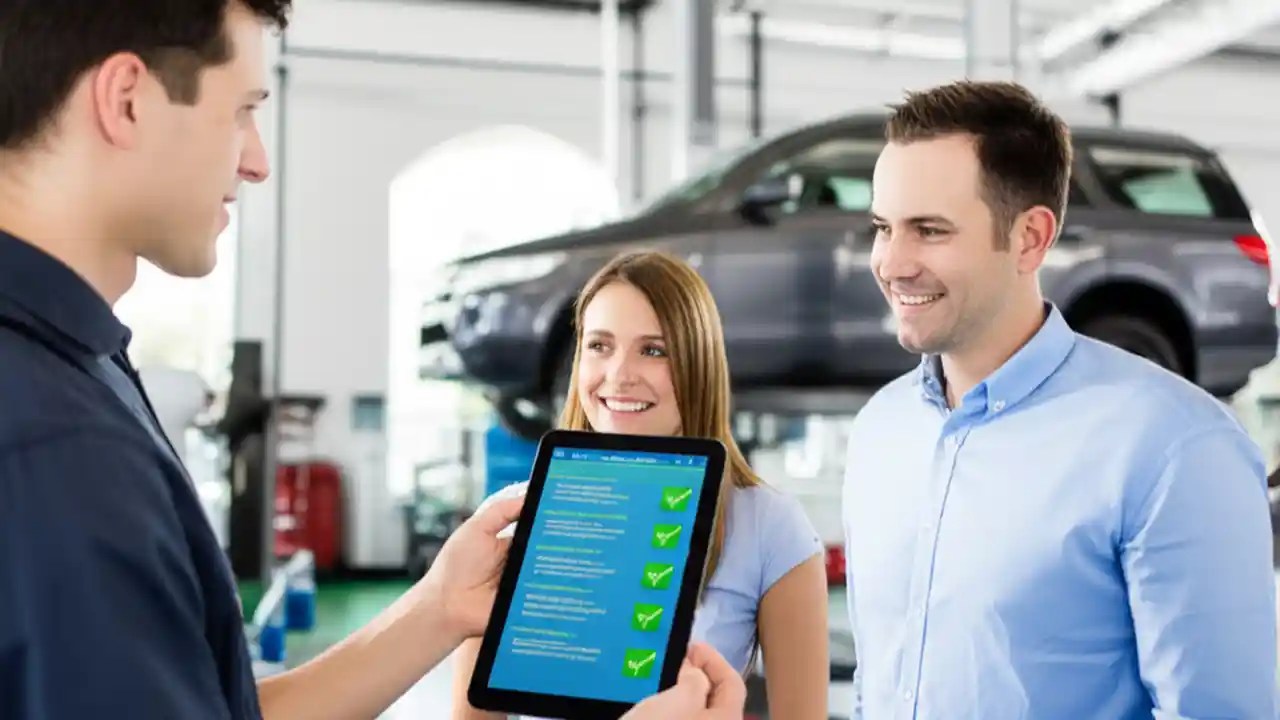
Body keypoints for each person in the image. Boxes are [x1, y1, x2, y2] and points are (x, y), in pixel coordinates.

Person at [0, 2, 745, 718]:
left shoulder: (79, 370)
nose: (256, 161)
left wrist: (437, 608)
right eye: (241, 112)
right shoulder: (59, 446)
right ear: (127, 101)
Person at [841, 79, 1277, 718]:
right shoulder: (881, 430)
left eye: (929, 230)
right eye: (884, 227)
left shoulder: (1173, 447)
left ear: (1031, 238)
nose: (892, 262)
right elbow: (875, 687)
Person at [452, 250, 830, 719]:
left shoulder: (770, 526)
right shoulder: (511, 520)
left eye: (654, 350)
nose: (619, 376)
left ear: (698, 365)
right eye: (599, 346)